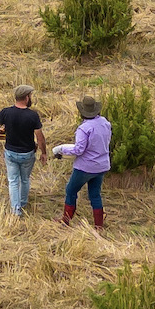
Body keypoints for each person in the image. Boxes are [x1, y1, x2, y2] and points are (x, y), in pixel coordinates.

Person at [52, 94, 110, 229]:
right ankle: (99, 225)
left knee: (71, 190)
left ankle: (65, 220)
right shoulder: (105, 123)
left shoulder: (84, 128)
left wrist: (61, 148)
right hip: (101, 165)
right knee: (95, 194)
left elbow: (78, 150)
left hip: (85, 167)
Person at [0, 84, 46, 217]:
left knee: (13, 181)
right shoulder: (33, 115)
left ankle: (16, 210)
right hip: (27, 153)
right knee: (25, 179)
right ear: (26, 97)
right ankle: (23, 203)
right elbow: (40, 138)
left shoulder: (5, 112)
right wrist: (44, 152)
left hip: (10, 153)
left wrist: (2, 133)